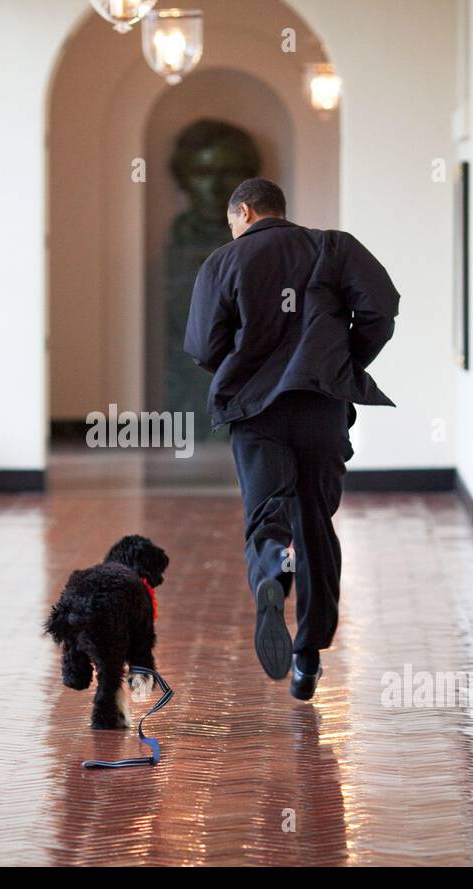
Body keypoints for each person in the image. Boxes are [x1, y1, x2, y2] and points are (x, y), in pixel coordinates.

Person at [183, 177, 398, 700]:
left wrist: (244, 364)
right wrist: (339, 360)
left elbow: (202, 344)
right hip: (320, 406)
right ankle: (307, 654)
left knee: (268, 513)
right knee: (316, 522)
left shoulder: (223, 262)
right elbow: (381, 308)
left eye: (232, 222)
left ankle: (271, 579)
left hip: (257, 411)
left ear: (246, 212)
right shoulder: (332, 246)